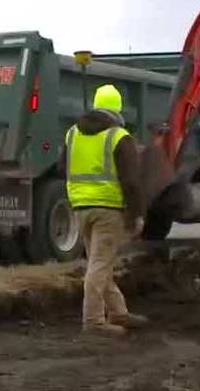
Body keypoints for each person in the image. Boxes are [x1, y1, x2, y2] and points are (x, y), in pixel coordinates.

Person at [61, 84, 146, 337]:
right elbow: (131, 182)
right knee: (99, 264)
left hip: (80, 207)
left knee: (100, 261)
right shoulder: (119, 136)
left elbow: (59, 167)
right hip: (108, 209)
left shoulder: (72, 134)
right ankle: (93, 321)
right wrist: (137, 214)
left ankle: (118, 311)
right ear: (118, 110)